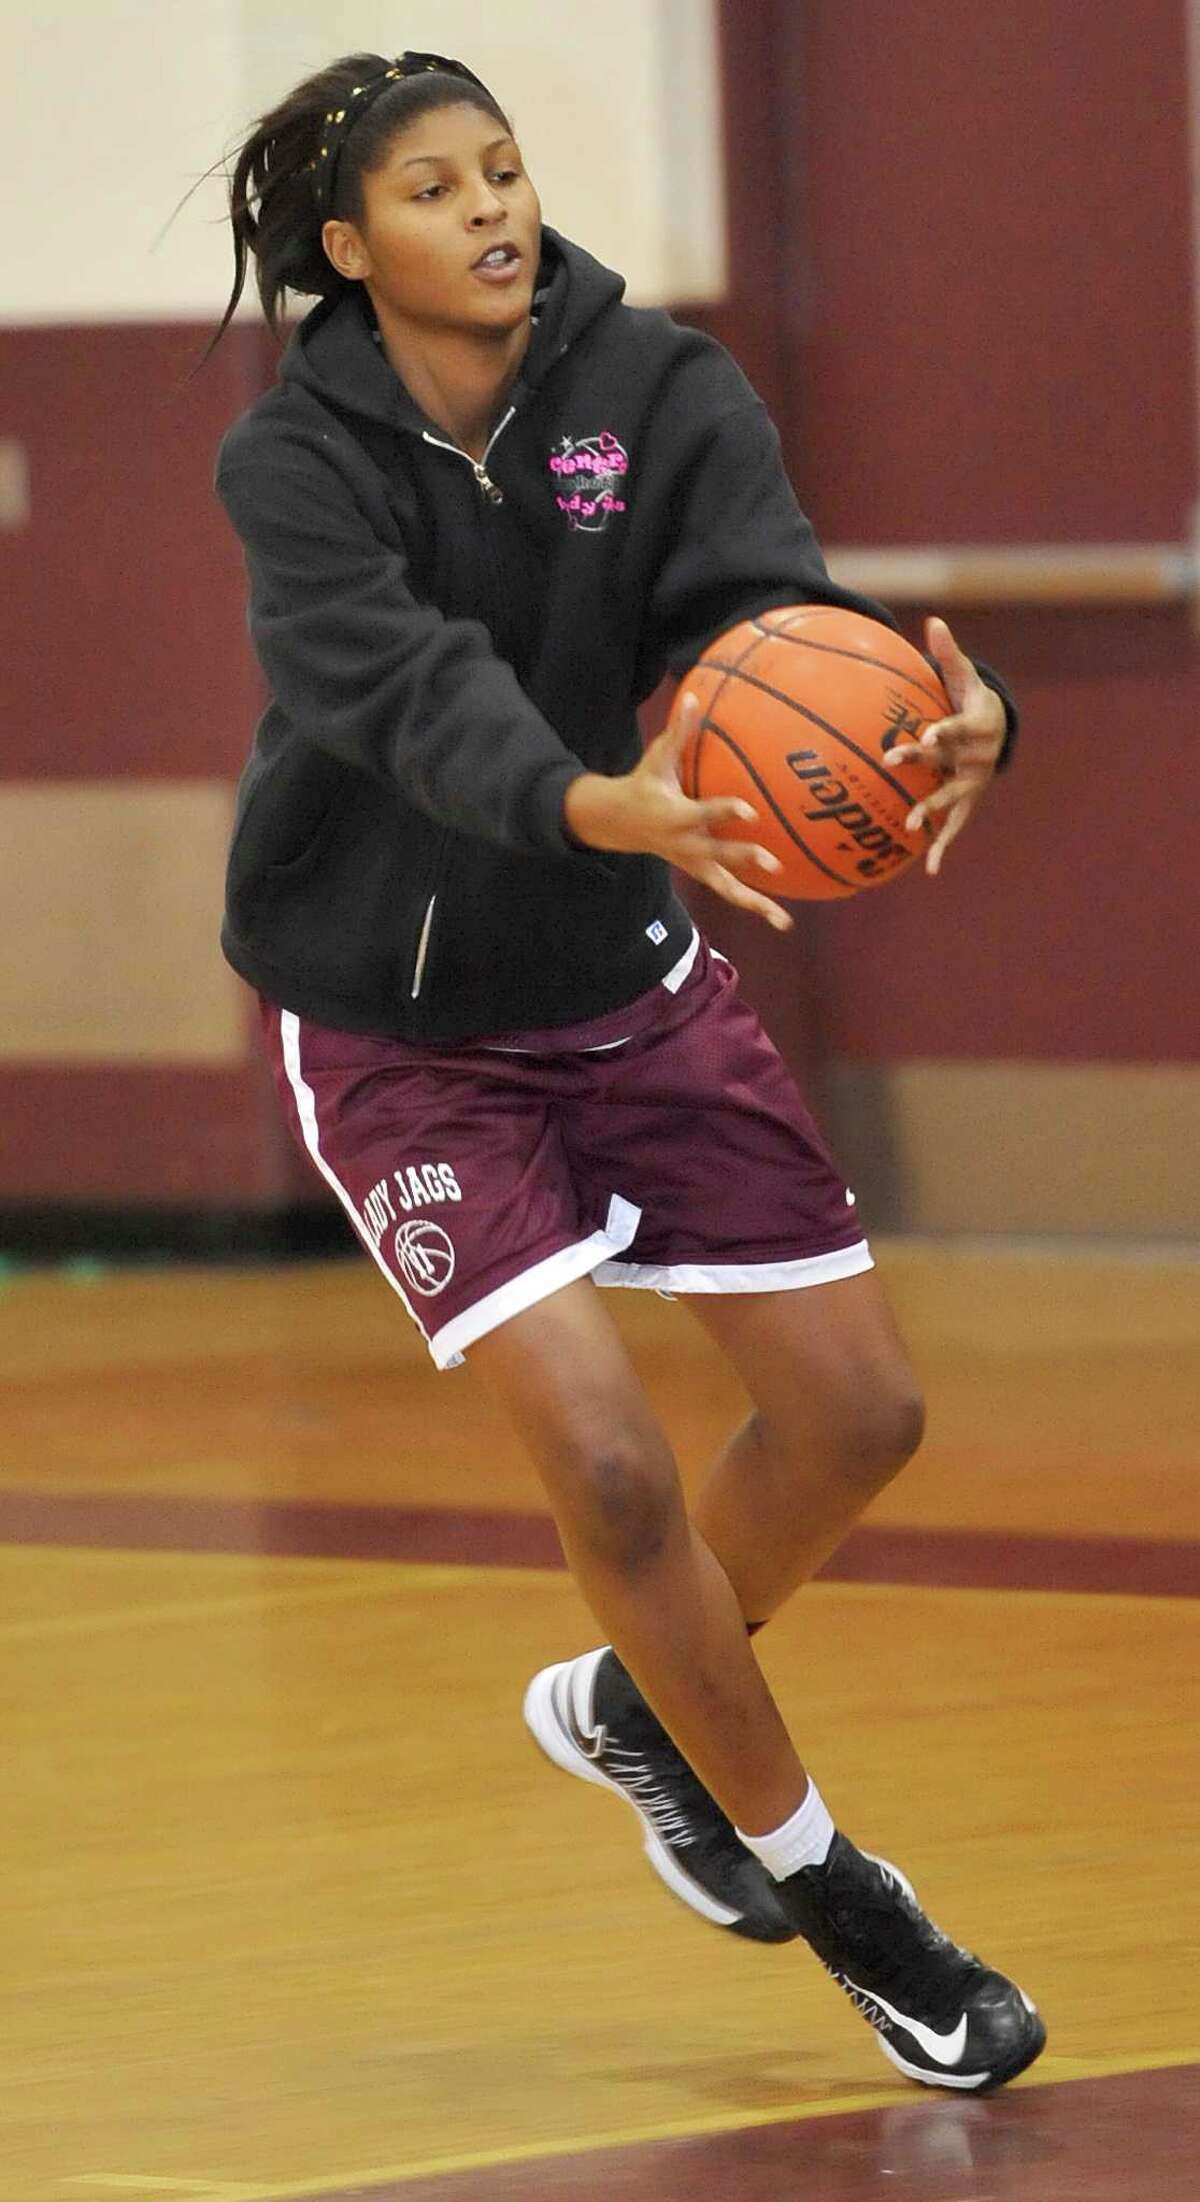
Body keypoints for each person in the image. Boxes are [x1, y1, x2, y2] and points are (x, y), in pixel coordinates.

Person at [206, 49, 1045, 2092]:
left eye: (505, 170)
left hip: (627, 974)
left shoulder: (658, 383)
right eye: (435, 188)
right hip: (403, 1026)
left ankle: (636, 1715)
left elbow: (770, 616)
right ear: (350, 247)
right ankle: (848, 1901)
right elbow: (406, 696)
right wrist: (594, 801)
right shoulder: (293, 465)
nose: (492, 209)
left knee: (861, 1417)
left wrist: (954, 713)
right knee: (603, 1463)